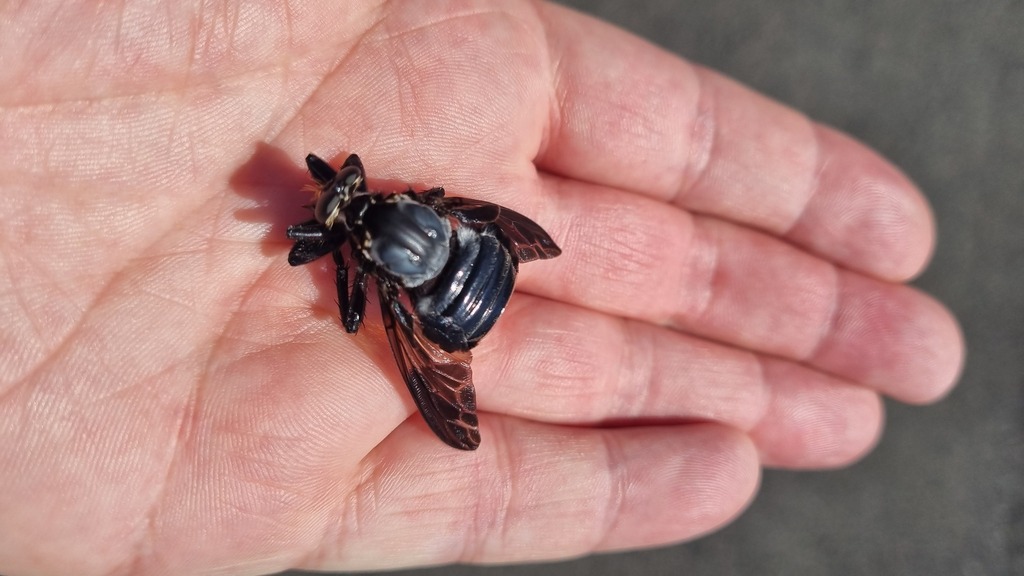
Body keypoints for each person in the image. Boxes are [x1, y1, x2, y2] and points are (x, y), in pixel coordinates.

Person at [0, 1, 963, 574]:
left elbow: (388, 293)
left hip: (456, 283)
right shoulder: (414, 218)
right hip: (465, 267)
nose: (347, 207)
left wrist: (401, 305)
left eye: (351, 209)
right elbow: (467, 230)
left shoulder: (381, 257)